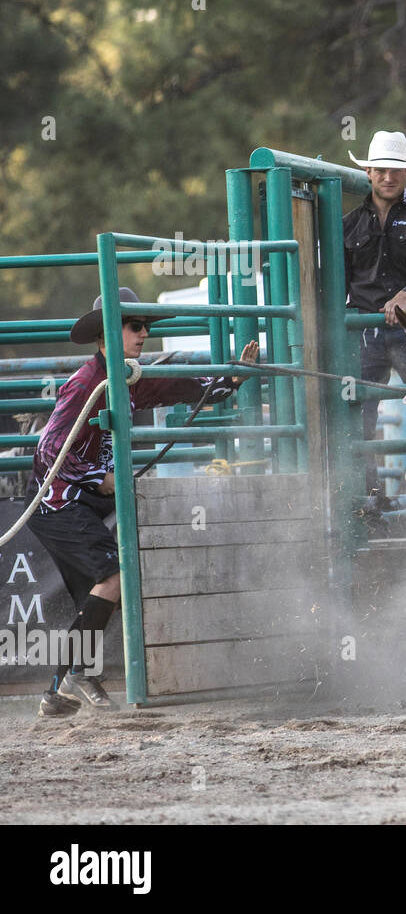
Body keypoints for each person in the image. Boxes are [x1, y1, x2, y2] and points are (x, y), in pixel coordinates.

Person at [28, 288, 257, 716]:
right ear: (107, 334)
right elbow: (49, 451)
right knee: (112, 580)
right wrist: (101, 478)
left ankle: (57, 691)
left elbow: (185, 388)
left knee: (99, 595)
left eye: (144, 326)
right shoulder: (85, 385)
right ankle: (77, 674)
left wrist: (231, 379)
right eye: (135, 326)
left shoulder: (128, 378)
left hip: (74, 502)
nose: (143, 333)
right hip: (58, 502)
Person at [343, 130, 406, 496]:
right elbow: (339, 280)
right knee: (357, 415)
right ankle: (369, 501)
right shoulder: (350, 223)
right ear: (369, 171)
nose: (388, 177)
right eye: (381, 170)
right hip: (364, 330)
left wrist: (404, 296)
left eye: (395, 171)